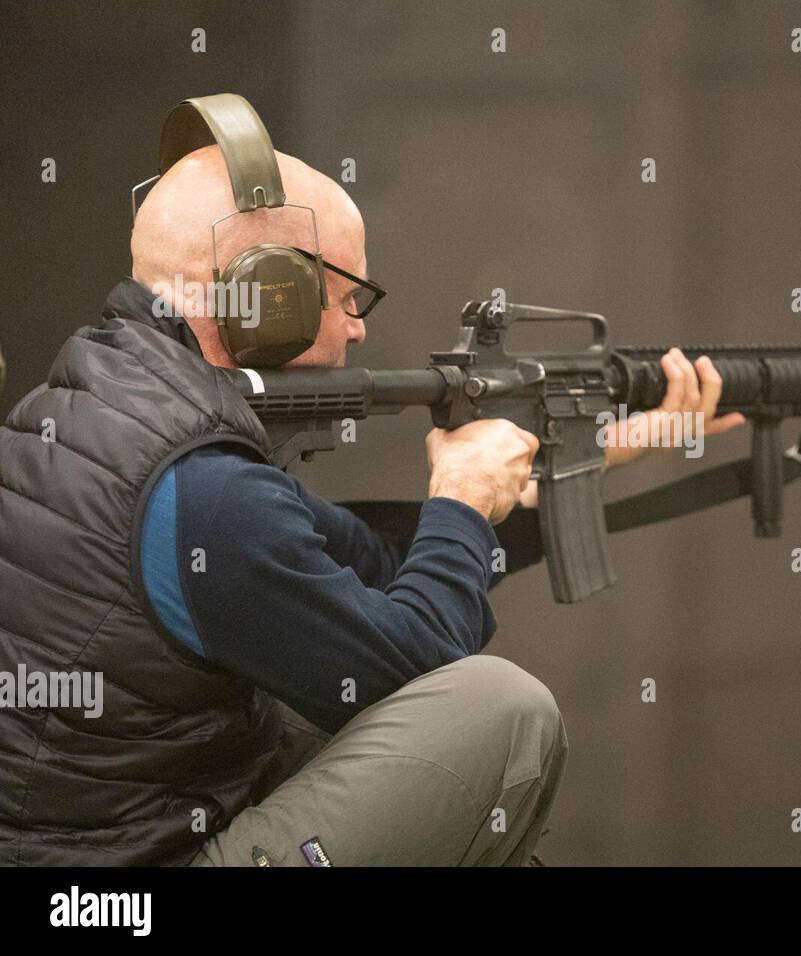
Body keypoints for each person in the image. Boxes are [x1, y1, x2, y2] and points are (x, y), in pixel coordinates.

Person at [0, 116, 743, 866]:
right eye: (350, 296)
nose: (357, 331)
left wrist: (583, 456)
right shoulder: (206, 491)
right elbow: (413, 683)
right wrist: (458, 499)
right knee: (501, 711)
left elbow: (373, 564)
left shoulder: (99, 417)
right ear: (272, 292)